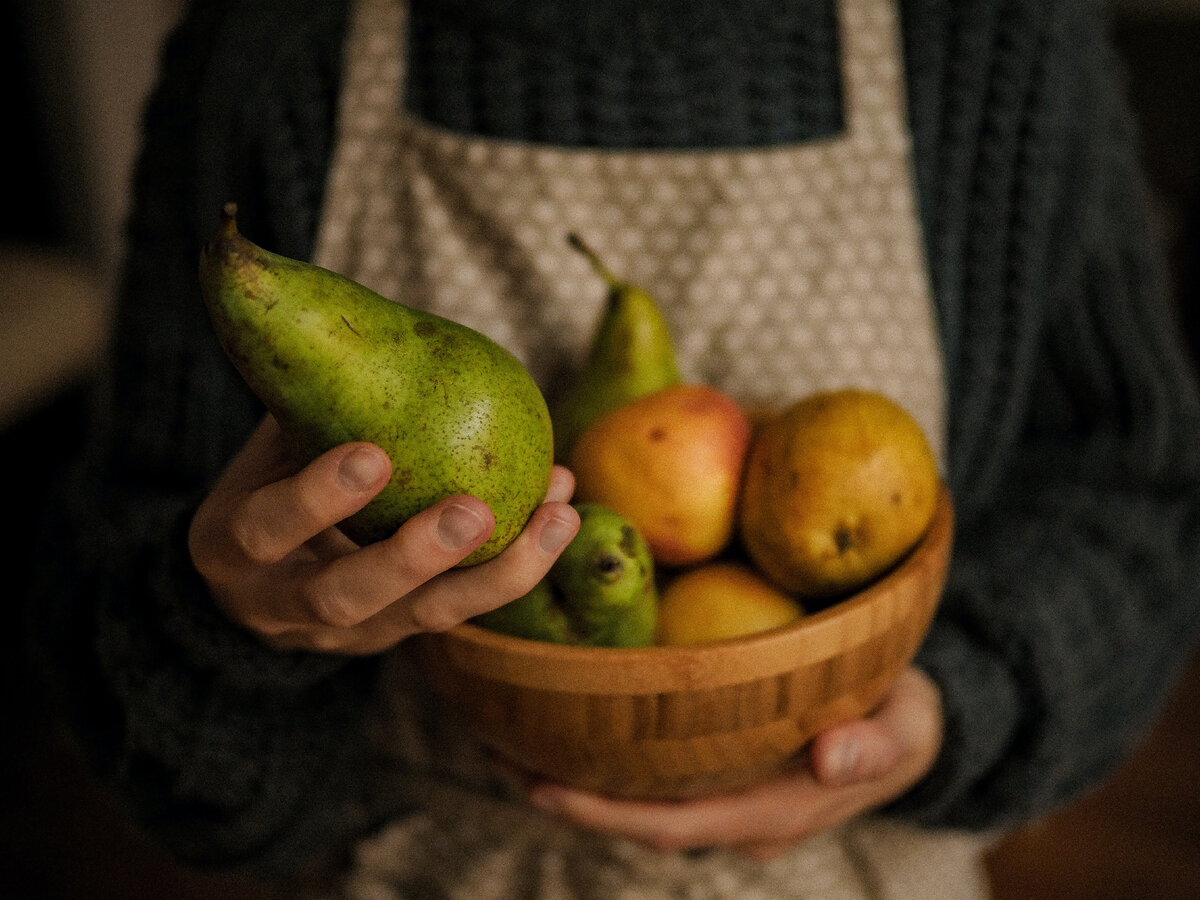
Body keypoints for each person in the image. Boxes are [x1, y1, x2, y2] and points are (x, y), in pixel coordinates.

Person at [27, 0, 1200, 897]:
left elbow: (1144, 495)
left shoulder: (989, 31)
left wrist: (957, 703)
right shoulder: (273, 39)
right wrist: (224, 624)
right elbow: (133, 653)